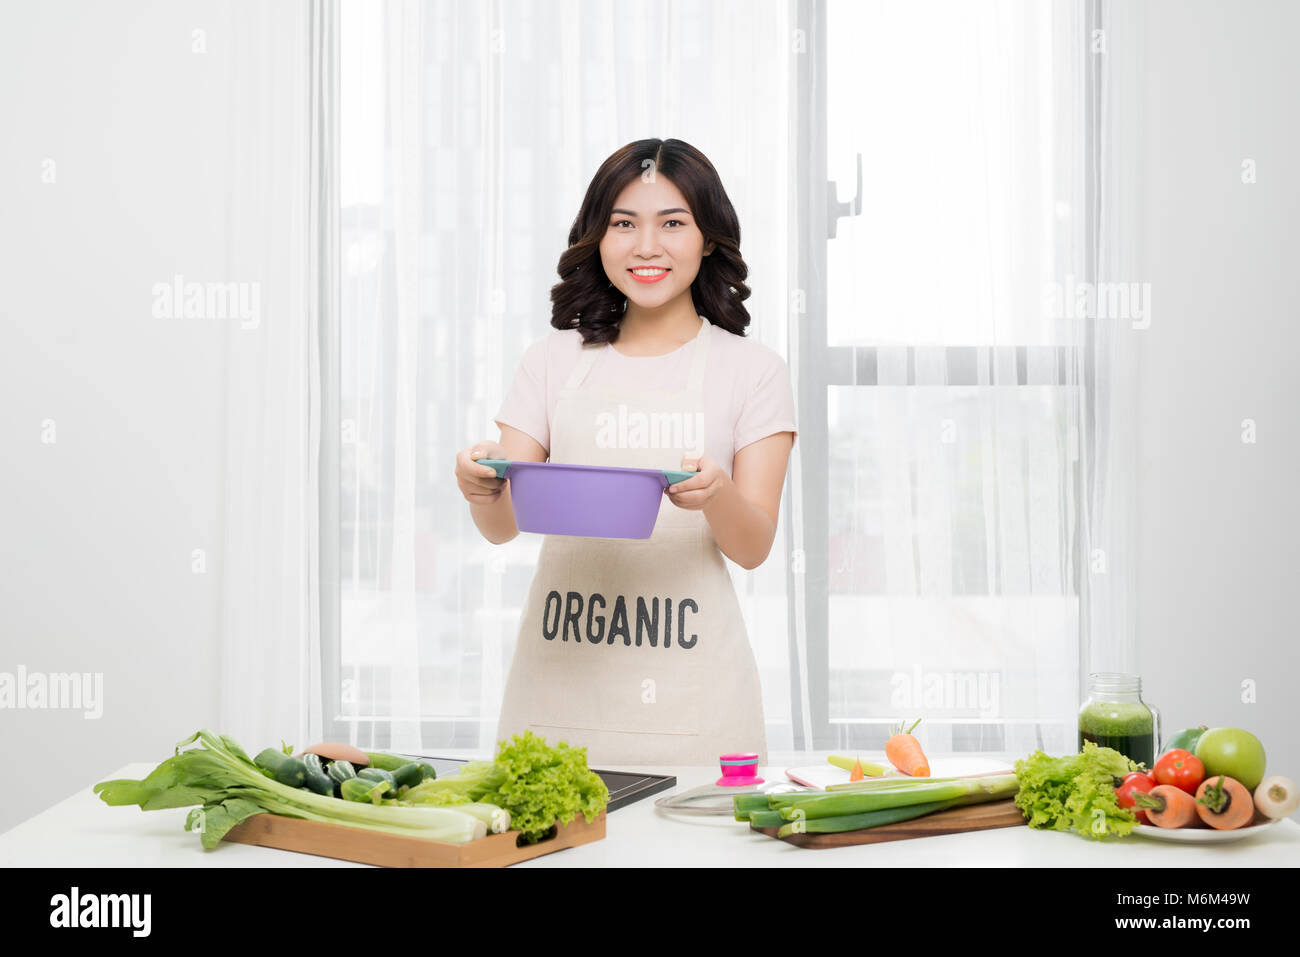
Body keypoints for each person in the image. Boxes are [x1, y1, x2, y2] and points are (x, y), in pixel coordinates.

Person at [454, 138, 796, 766]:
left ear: (709, 239)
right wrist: (480, 485)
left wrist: (717, 496)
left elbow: (753, 548)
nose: (646, 246)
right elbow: (502, 525)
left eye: (672, 223)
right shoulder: (552, 361)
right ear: (597, 236)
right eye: (623, 224)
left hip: (697, 702)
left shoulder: (754, 372)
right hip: (556, 692)